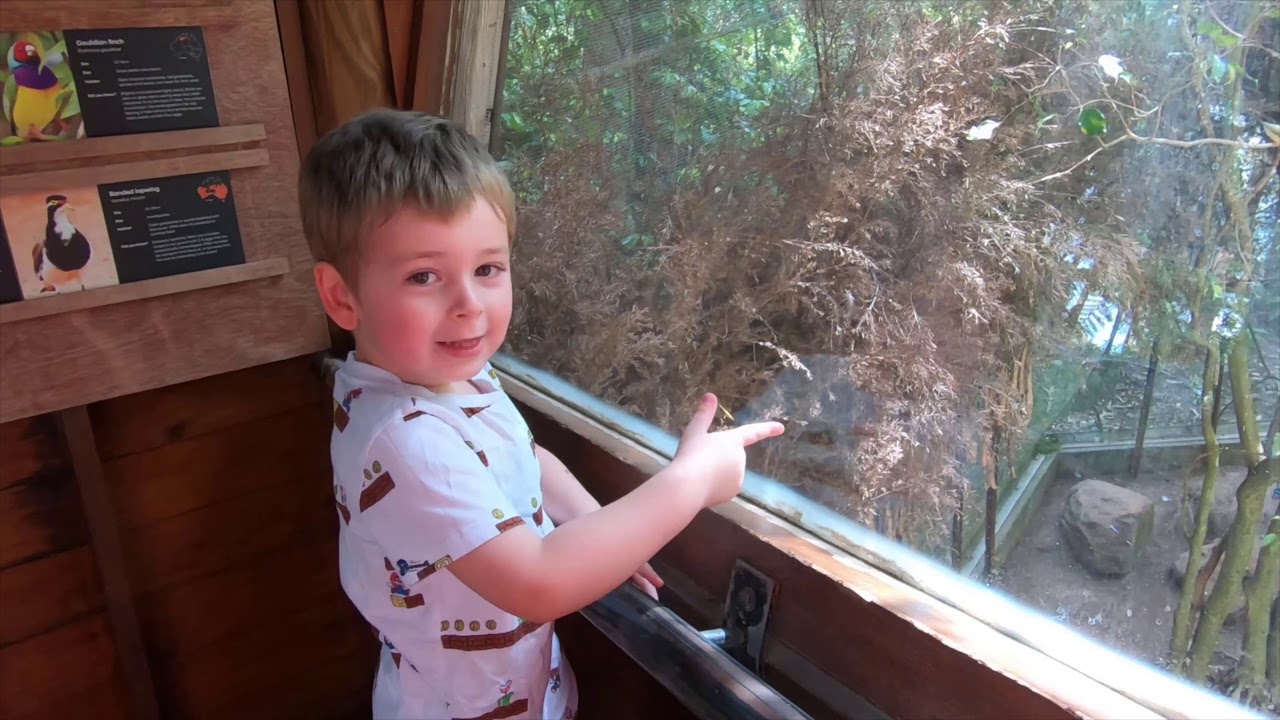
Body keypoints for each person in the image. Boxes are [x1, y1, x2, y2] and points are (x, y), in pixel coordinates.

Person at [298, 108, 785, 720]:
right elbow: (538, 582)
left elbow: (523, 457)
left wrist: (601, 526)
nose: (468, 306)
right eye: (424, 276)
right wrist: (689, 483)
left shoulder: (445, 378)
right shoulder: (405, 442)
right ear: (343, 296)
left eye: (487, 269)